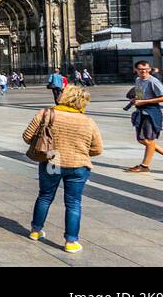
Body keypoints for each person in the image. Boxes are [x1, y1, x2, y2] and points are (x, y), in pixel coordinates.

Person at [23, 84, 103, 254]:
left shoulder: (46, 114)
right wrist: (78, 151)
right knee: (74, 203)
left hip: (53, 160)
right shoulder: (88, 121)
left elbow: (27, 136)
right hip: (79, 164)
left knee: (45, 197)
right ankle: (71, 241)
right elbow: (97, 149)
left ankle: (36, 231)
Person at [125, 60, 163, 174]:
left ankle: (144, 166)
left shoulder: (153, 81)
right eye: (141, 69)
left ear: (149, 69)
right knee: (142, 139)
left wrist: (144, 102)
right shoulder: (138, 80)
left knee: (148, 140)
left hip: (151, 112)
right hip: (141, 112)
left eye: (146, 69)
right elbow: (140, 95)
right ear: (136, 70)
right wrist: (136, 100)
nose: (144, 71)